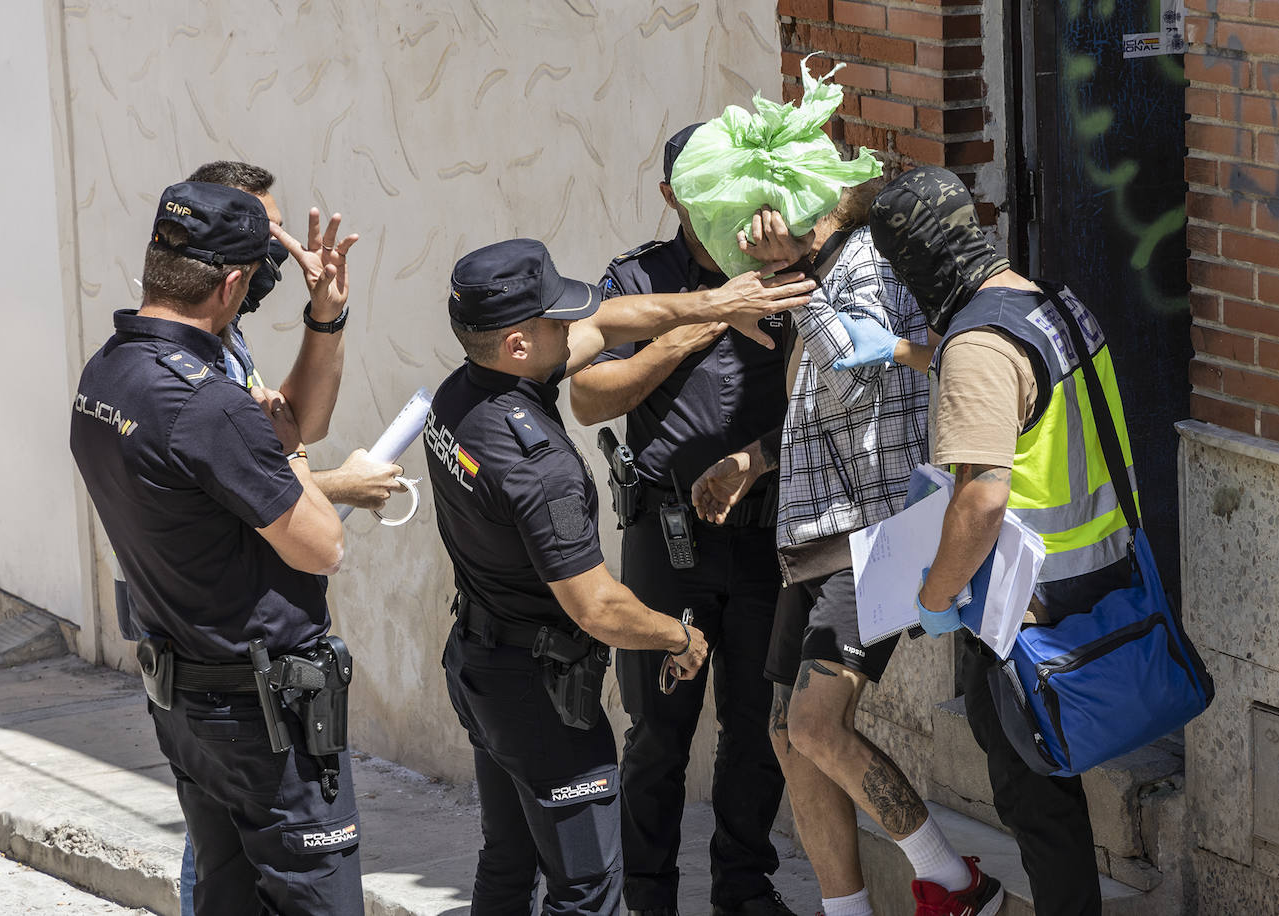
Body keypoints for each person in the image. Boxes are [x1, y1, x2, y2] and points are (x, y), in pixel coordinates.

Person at [426, 237, 816, 915]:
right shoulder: (537, 465)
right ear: (518, 342)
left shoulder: (462, 393)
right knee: (585, 891)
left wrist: (713, 304)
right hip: (541, 689)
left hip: (482, 662)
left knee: (508, 864)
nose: (571, 327)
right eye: (554, 320)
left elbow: (605, 324)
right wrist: (676, 637)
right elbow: (597, 605)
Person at [692, 181, 1003, 916]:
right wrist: (754, 460)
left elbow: (862, 374)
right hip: (815, 532)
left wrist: (792, 288)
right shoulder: (829, 271)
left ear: (826, 204)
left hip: (872, 534)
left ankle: (957, 885)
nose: (761, 223)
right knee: (786, 734)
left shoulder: (867, 262)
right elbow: (827, 412)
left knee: (814, 724)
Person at [114, 160, 400, 916]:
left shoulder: (133, 367)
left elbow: (283, 429)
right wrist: (301, 465)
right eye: (266, 237)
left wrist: (326, 317)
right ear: (233, 278)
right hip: (253, 703)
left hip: (194, 688)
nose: (283, 251)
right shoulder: (198, 395)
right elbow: (316, 535)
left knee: (225, 886)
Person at [866, 165, 1137, 916]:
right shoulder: (1049, 302)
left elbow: (982, 500)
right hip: (1098, 576)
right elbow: (1027, 386)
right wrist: (908, 355)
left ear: (917, 262)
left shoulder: (976, 346)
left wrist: (934, 594)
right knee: (1053, 779)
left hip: (1025, 609)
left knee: (1037, 797)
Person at [568, 124, 793, 916]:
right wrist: (688, 331)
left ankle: (743, 887)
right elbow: (589, 395)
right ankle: (648, 896)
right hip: (671, 540)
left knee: (755, 726)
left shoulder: (783, 268)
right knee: (660, 731)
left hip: (769, 535)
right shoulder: (638, 280)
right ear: (673, 197)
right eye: (705, 189)